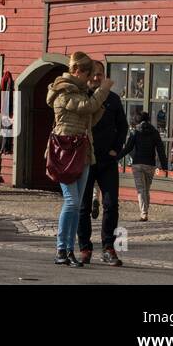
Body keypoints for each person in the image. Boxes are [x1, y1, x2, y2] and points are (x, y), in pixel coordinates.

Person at [47, 51, 113, 267]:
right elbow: (87, 107)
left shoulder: (82, 91)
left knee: (75, 205)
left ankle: (68, 250)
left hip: (83, 150)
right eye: (88, 74)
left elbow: (90, 119)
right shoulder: (63, 90)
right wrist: (102, 91)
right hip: (65, 151)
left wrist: (96, 95)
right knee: (72, 201)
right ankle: (60, 249)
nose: (89, 78)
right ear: (77, 71)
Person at [77, 60, 128, 266]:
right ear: (88, 75)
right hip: (86, 159)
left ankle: (109, 248)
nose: (97, 78)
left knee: (111, 204)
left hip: (107, 160)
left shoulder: (113, 99)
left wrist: (116, 149)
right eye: (94, 74)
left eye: (101, 74)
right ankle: (84, 248)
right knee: (83, 206)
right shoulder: (82, 98)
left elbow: (123, 127)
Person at [121, 110, 168, 220]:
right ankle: (145, 211)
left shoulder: (135, 132)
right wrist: (164, 165)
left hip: (137, 164)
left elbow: (128, 148)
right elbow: (160, 149)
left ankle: (144, 213)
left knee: (140, 189)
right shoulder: (154, 132)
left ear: (137, 120)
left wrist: (115, 158)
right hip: (150, 165)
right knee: (146, 189)